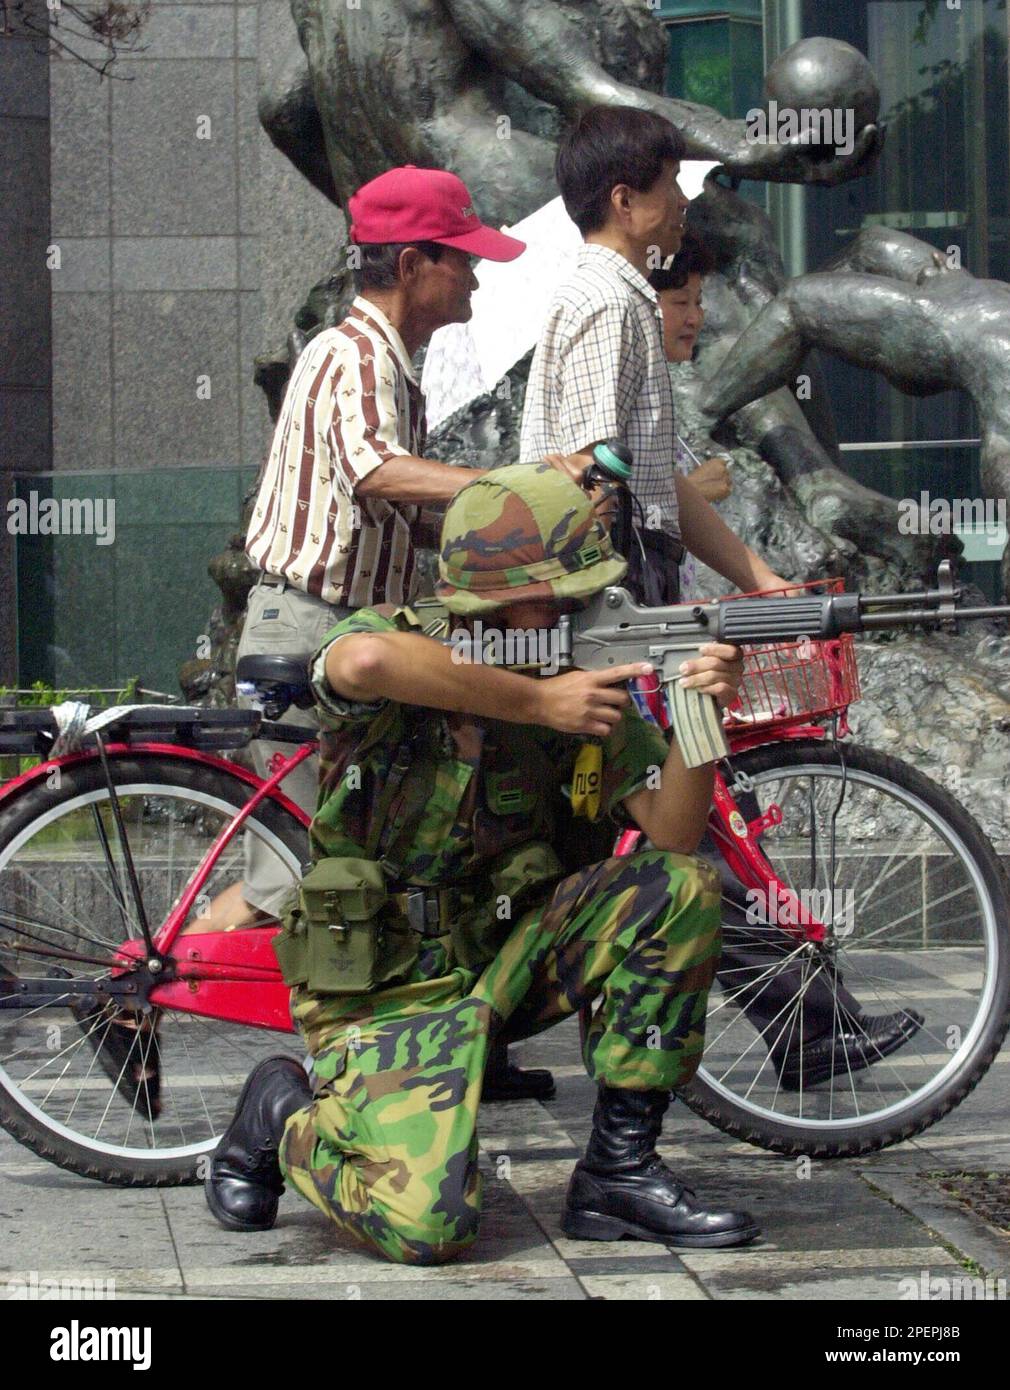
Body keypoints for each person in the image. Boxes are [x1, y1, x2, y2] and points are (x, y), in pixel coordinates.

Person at [205, 463, 761, 1261]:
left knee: (677, 889)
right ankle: (282, 1109)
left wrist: (699, 710)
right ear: (485, 600)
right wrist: (537, 704)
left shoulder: (577, 678)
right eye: (552, 595)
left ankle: (620, 1171)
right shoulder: (400, 641)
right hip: (385, 988)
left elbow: (670, 835)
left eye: (576, 593)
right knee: (426, 1226)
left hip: (504, 962)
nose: (569, 609)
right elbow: (360, 665)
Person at [520, 104, 789, 609]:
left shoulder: (622, 295)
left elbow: (653, 478)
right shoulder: (607, 301)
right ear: (624, 201)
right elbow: (589, 476)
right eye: (670, 184)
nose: (684, 200)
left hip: (630, 569)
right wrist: (603, 613)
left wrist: (761, 580)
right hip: (607, 581)